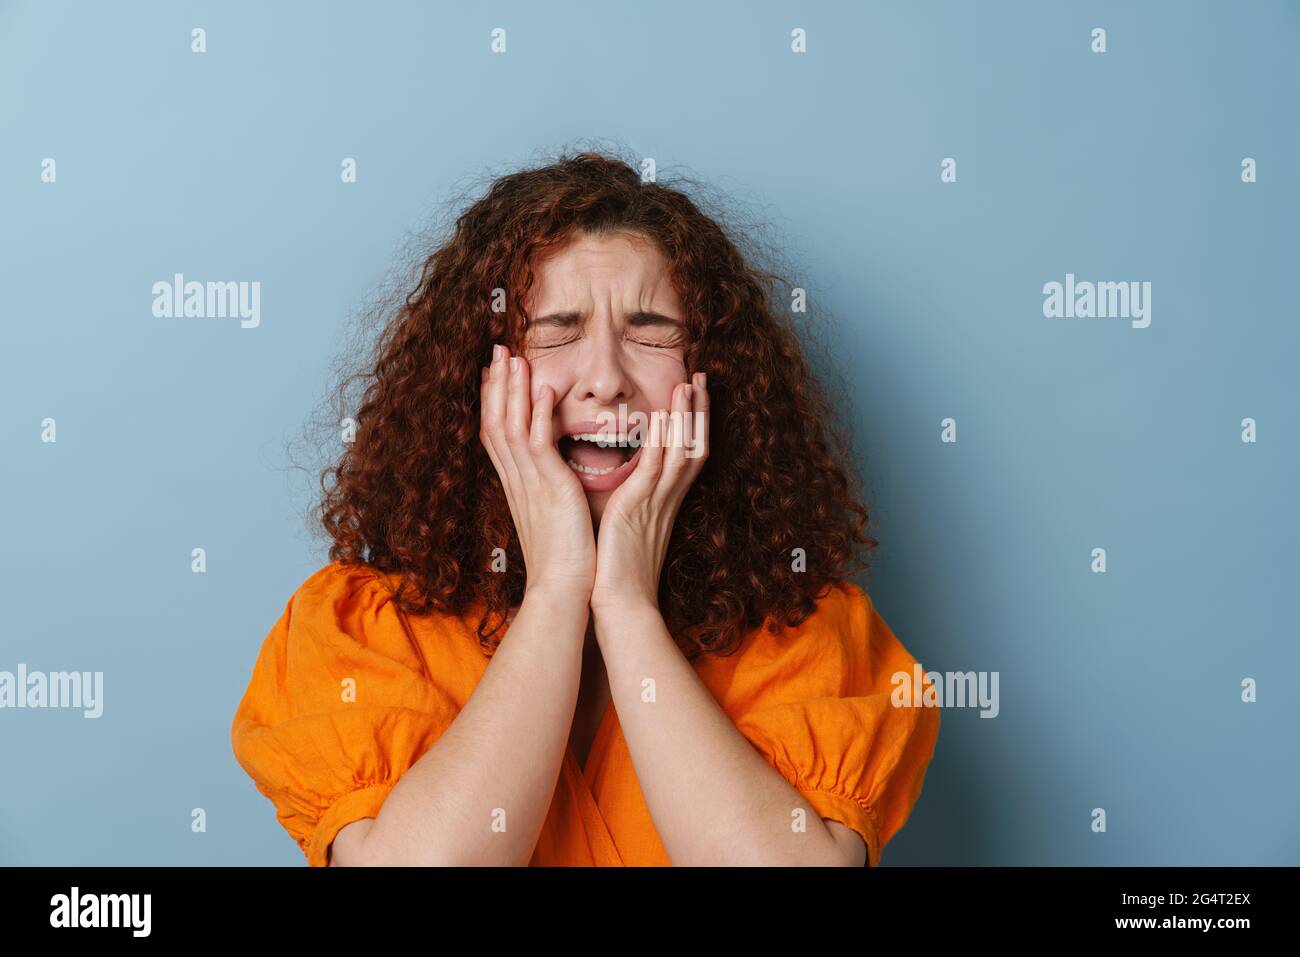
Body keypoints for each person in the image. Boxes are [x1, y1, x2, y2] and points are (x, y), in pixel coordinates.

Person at [230, 150, 940, 866]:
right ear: (477, 373)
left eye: (652, 330)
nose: (606, 379)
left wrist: (627, 604)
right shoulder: (358, 628)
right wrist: (557, 589)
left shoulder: (812, 636)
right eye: (556, 329)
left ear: (711, 375)